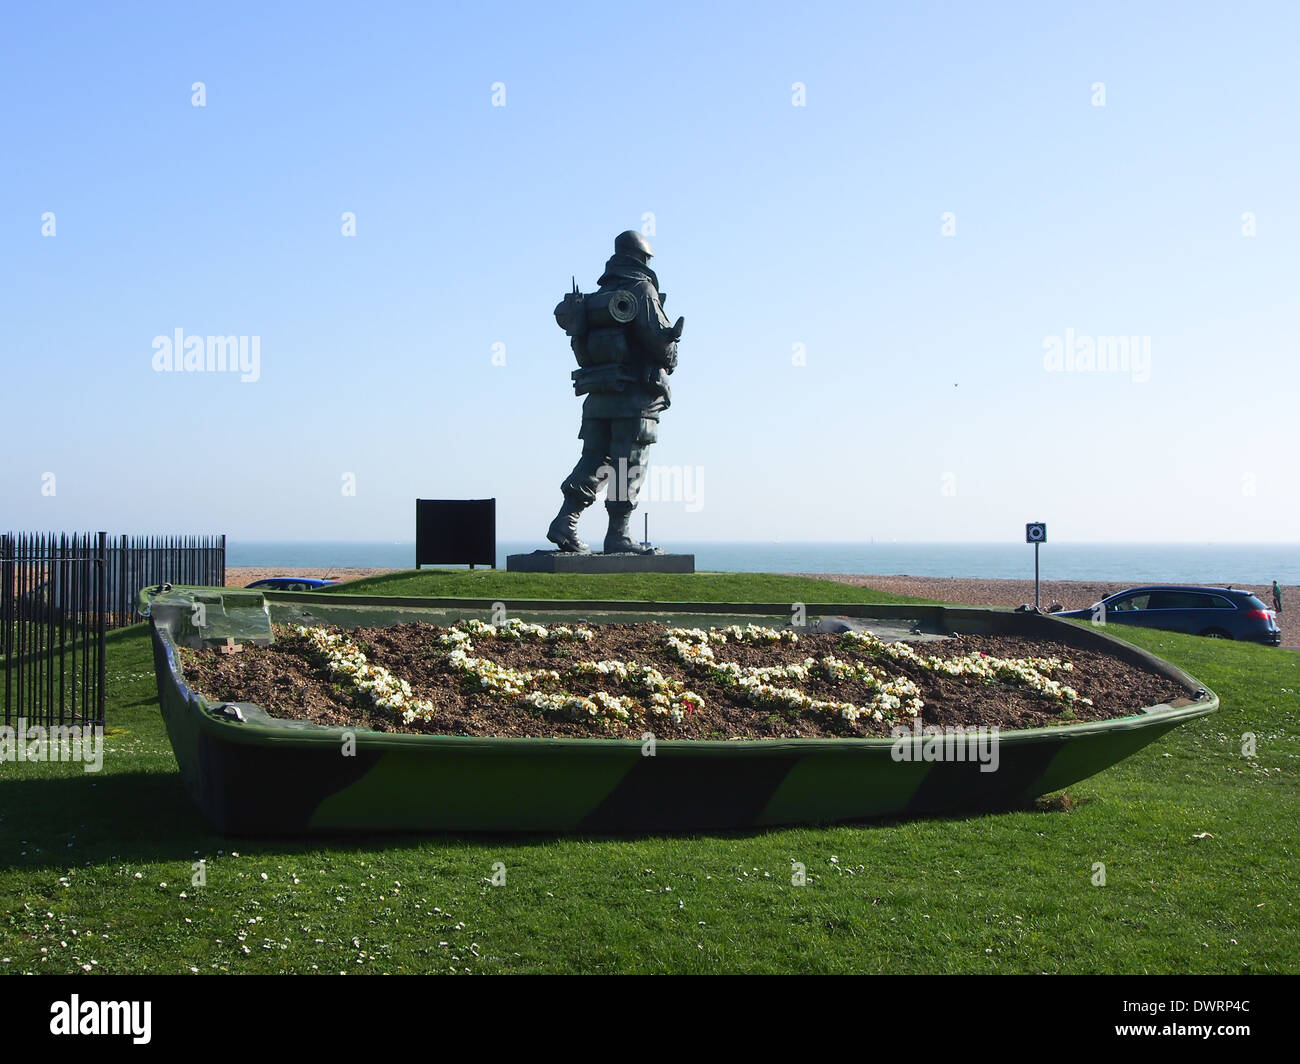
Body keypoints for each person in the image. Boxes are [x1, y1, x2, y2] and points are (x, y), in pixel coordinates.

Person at [547, 231, 683, 553]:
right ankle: (618, 534)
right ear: (642, 259)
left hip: (599, 397)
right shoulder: (641, 290)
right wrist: (672, 352)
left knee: (595, 459)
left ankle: (566, 520)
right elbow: (658, 341)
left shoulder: (598, 297)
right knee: (628, 464)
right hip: (635, 399)